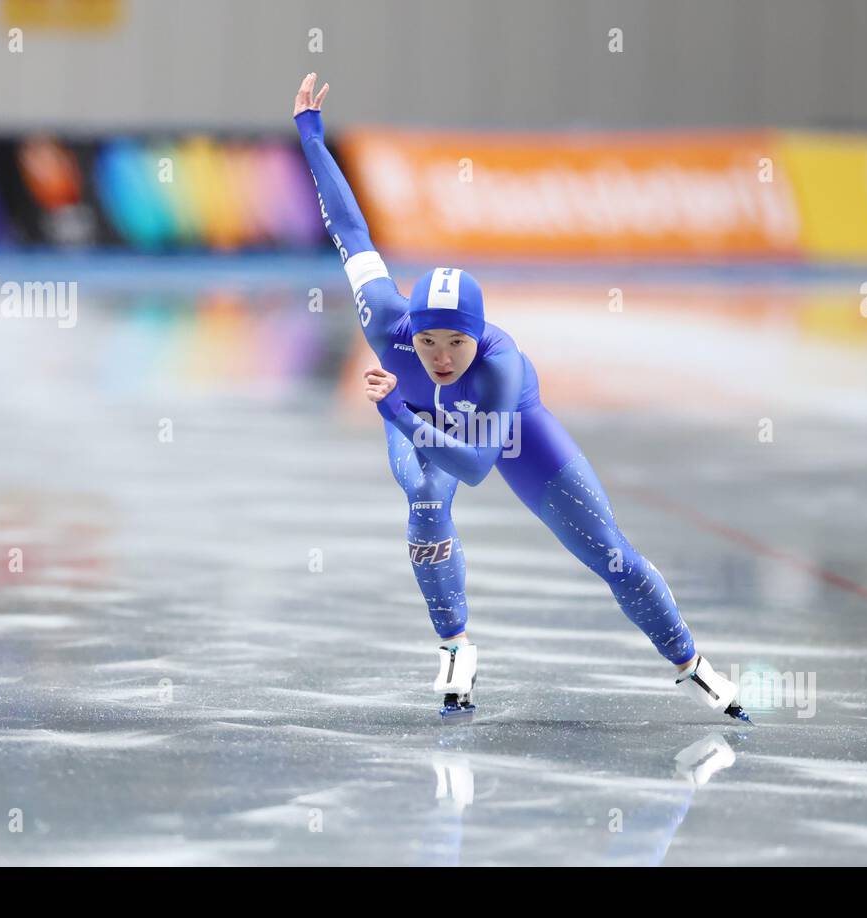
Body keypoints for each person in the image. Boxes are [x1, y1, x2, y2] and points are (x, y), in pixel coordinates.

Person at [293, 73, 748, 722]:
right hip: (417, 418)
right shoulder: (382, 317)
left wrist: (394, 406)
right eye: (428, 344)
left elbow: (478, 467)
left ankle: (691, 662)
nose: (442, 358)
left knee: (611, 552)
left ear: (480, 336)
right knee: (424, 498)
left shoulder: (499, 369)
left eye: (457, 343)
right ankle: (455, 646)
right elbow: (349, 227)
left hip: (503, 431)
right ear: (408, 332)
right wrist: (311, 132)